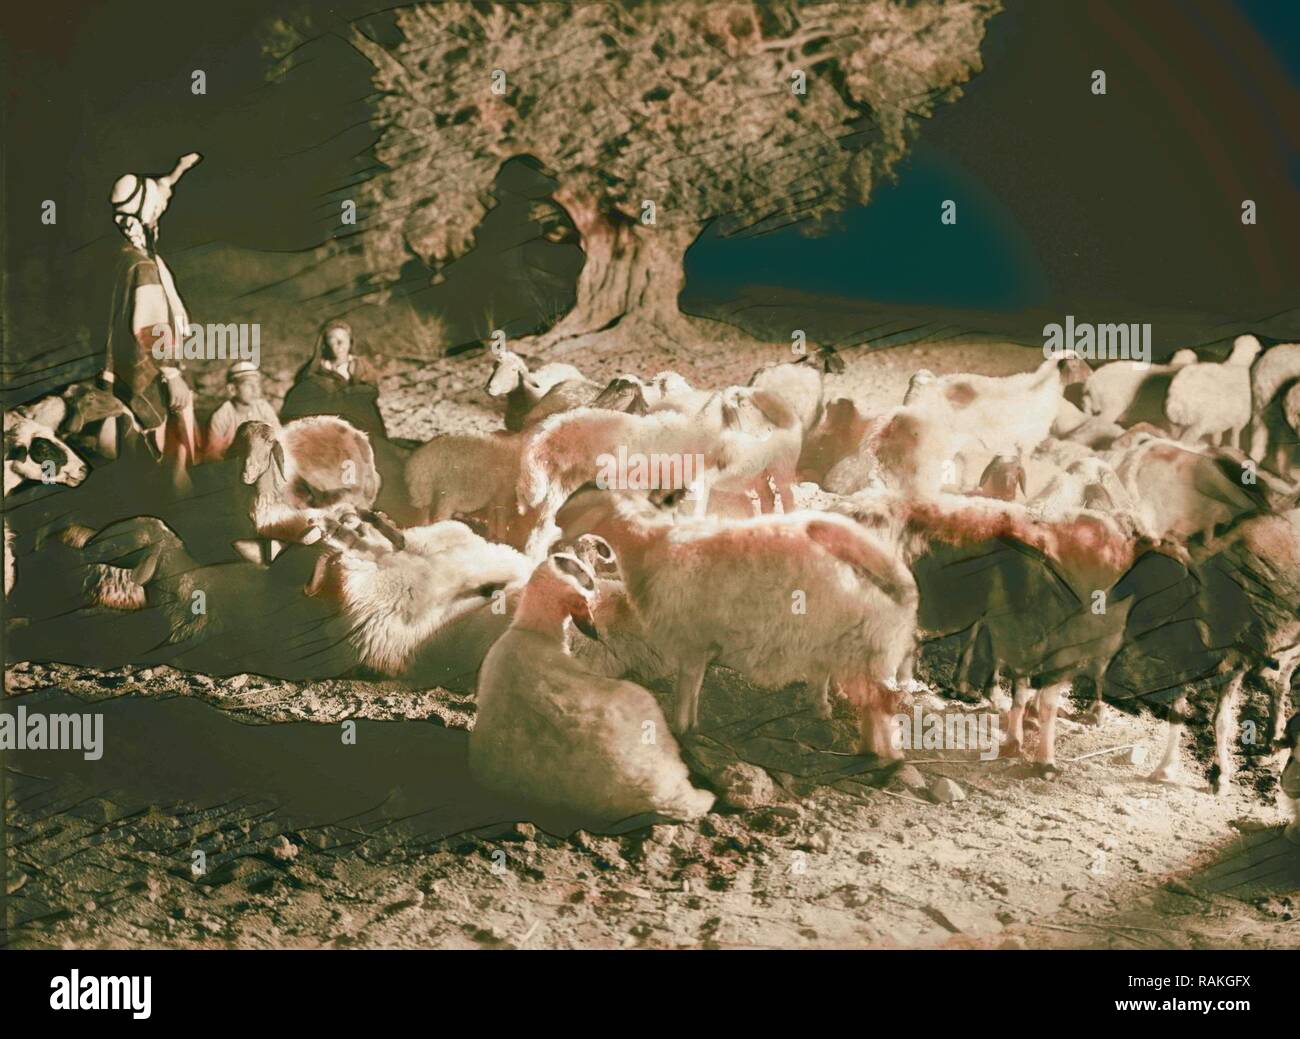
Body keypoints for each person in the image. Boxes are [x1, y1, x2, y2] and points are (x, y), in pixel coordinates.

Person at [101, 152, 202, 491]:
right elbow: (147, 327)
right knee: (165, 463)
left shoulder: (123, 255)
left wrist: (177, 172)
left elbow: (156, 191)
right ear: (146, 213)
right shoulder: (142, 266)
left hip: (127, 372)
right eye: (156, 211)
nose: (159, 216)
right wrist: (172, 375)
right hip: (149, 375)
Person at [279, 319, 386, 438]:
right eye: (333, 338)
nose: (339, 343)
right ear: (325, 344)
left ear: (350, 342)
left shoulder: (360, 366)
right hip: (326, 424)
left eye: (343, 338)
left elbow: (371, 393)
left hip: (357, 423)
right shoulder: (314, 369)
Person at [204, 362, 281, 461]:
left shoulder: (263, 407)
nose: (255, 389)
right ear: (232, 389)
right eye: (249, 384)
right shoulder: (221, 416)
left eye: (257, 384)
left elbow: (280, 438)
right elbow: (212, 456)